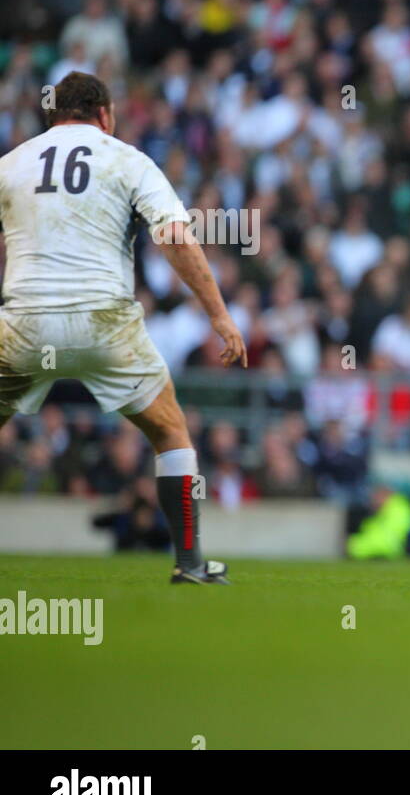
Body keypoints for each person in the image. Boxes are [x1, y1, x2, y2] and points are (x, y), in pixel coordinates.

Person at [0, 71, 247, 584]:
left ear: (53, 115)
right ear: (105, 115)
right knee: (171, 432)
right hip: (103, 322)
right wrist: (219, 315)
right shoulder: (128, 160)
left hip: (23, 323)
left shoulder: (12, 164)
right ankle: (190, 564)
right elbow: (176, 238)